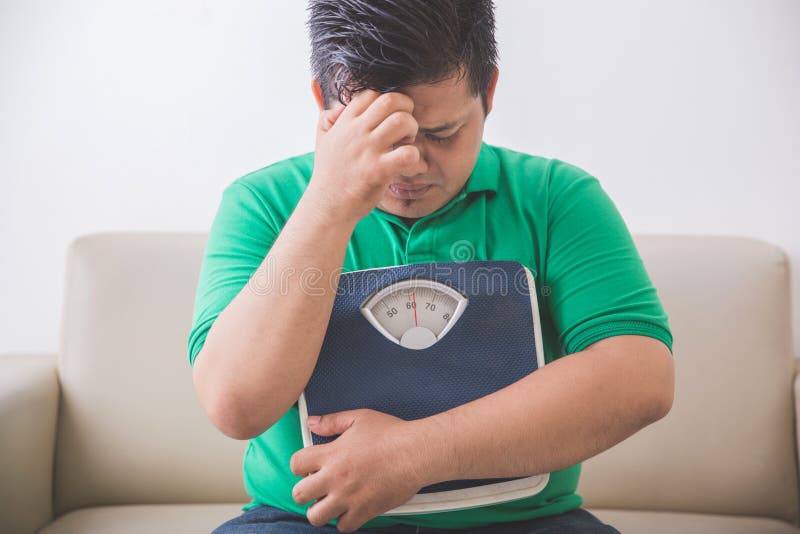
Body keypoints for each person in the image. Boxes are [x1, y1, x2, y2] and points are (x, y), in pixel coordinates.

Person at [188, 1, 674, 532]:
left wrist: (415, 454)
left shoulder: (557, 198)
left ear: (488, 93)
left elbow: (640, 377)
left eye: (441, 134)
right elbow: (235, 406)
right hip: (301, 522)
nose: (409, 166)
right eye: (378, 137)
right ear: (320, 103)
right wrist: (330, 202)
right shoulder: (262, 204)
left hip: (527, 522)